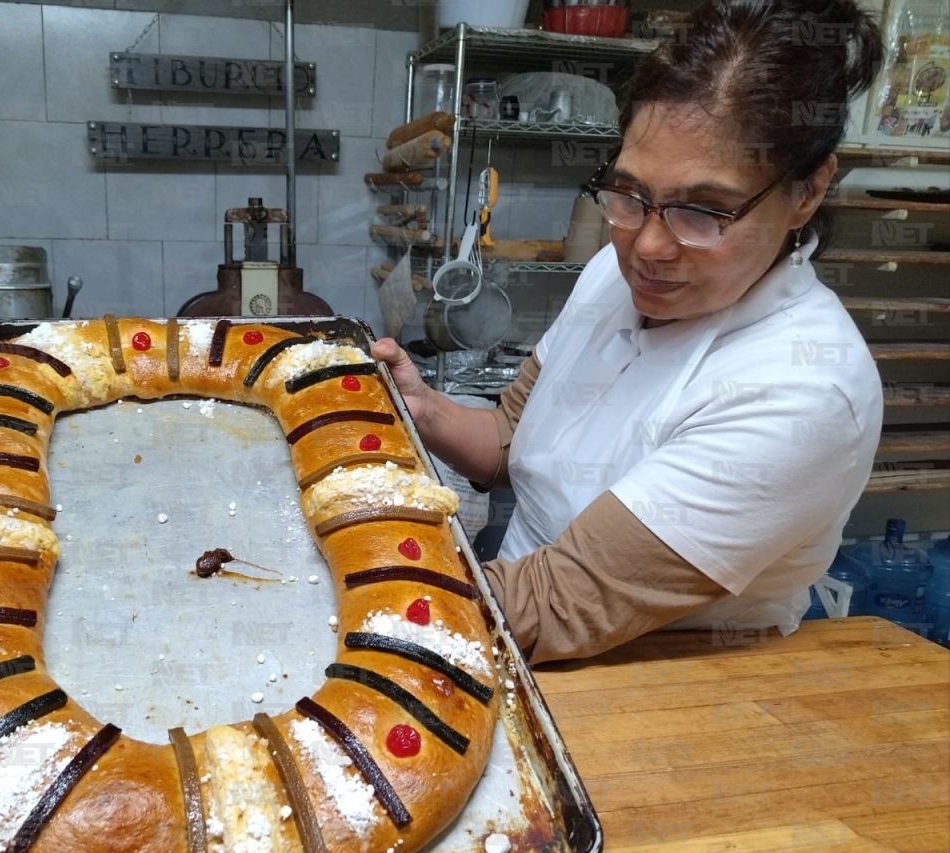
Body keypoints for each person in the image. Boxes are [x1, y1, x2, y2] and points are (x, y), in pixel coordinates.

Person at [373, 0, 886, 663]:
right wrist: (425, 410)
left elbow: (560, 598)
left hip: (644, 703)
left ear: (808, 191)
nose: (647, 245)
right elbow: (513, 441)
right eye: (629, 194)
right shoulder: (613, 279)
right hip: (499, 633)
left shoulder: (804, 387)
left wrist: (363, 602)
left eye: (702, 211)